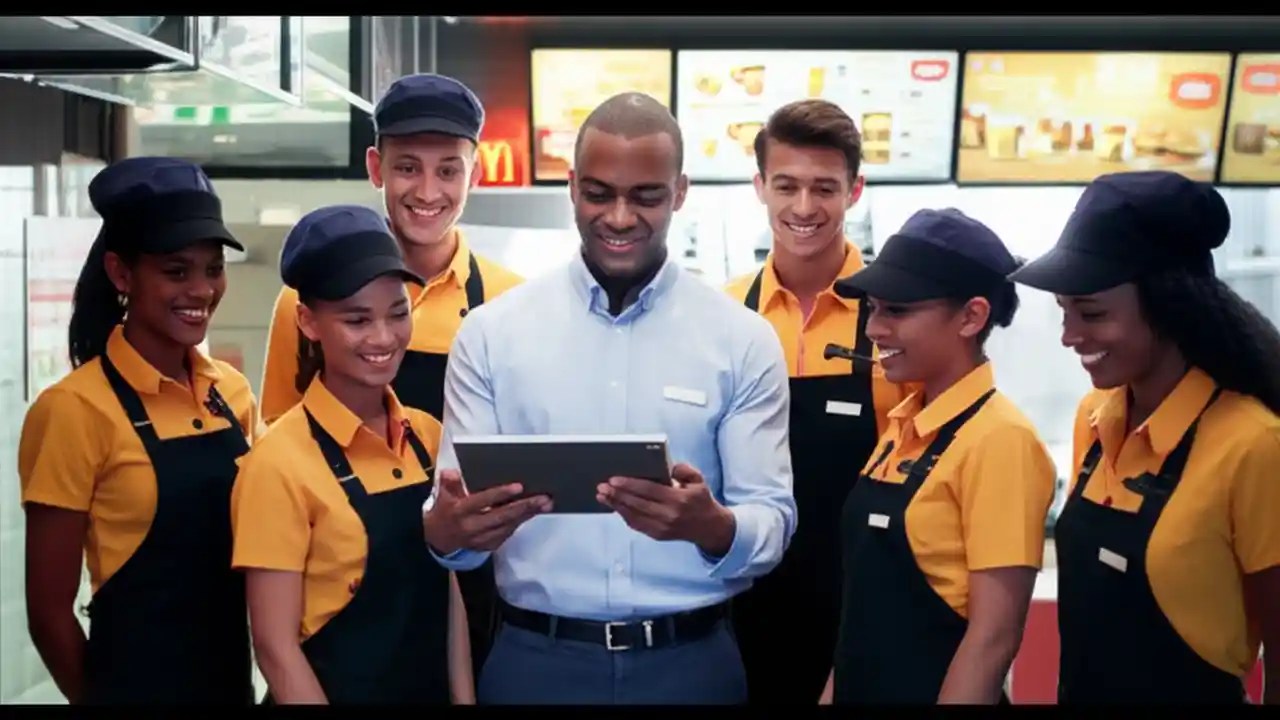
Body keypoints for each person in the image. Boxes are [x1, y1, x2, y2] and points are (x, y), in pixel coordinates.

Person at [422, 92, 797, 705]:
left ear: (679, 192)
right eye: (599, 193)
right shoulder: (492, 334)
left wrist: (714, 528)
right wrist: (446, 531)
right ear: (571, 187)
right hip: (534, 664)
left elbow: (774, 520)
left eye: (645, 196)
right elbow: (453, 522)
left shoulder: (742, 339)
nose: (620, 217)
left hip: (691, 666)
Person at [258, 73, 522, 677]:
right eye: (407, 167)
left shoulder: (511, 304)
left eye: (448, 170)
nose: (427, 190)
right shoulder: (302, 305)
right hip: (340, 591)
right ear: (376, 167)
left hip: (474, 590)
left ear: (474, 173)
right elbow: (279, 450)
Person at [1008, 171, 1280, 705]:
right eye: (1064, 312)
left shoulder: (1253, 444)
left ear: (1168, 305)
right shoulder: (1094, 417)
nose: (1069, 336)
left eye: (1091, 314)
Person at [18, 157, 256, 704]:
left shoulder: (233, 394)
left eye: (213, 268)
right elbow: (49, 614)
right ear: (121, 273)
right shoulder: (73, 411)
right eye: (176, 271)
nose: (201, 289)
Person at [230, 205, 472, 705]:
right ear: (308, 322)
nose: (383, 338)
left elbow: (448, 599)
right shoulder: (277, 463)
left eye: (398, 313)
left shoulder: (428, 436)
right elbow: (274, 649)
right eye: (357, 320)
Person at [822, 208, 1056, 704]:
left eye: (897, 311)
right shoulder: (903, 424)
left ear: (972, 316)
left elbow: (993, 639)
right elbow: (859, 618)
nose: (873, 329)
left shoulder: (1001, 440)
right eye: (873, 309)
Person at [723, 98, 912, 704]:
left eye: (824, 188)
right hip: (739, 610)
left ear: (855, 191)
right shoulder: (720, 315)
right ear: (759, 187)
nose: (804, 208)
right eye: (787, 186)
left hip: (864, 608)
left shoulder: (898, 318)